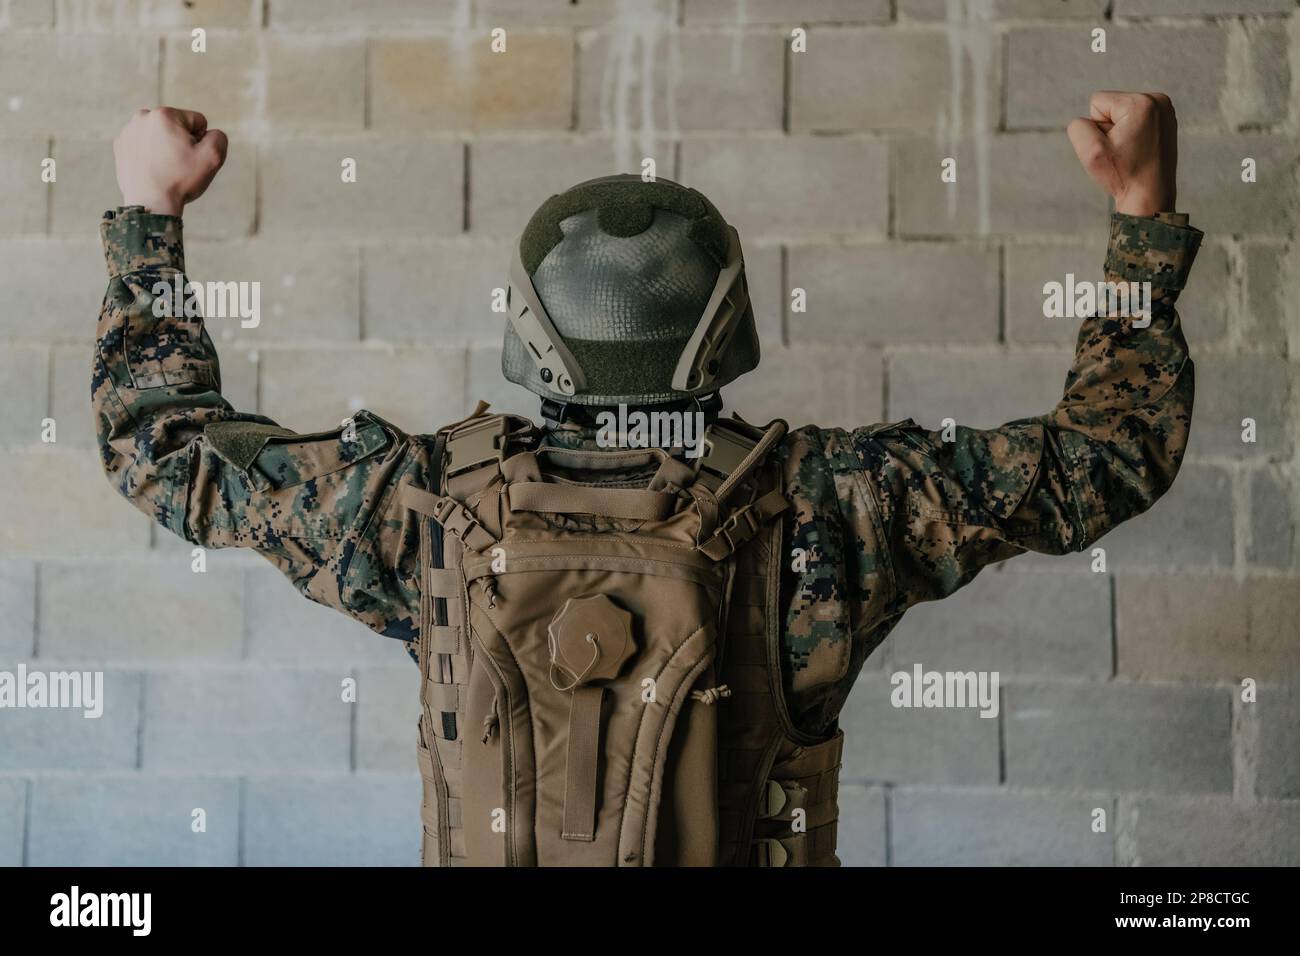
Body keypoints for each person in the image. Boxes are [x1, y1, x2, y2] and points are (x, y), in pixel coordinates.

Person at [96, 91, 1200, 866]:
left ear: (531, 330)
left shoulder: (420, 504)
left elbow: (165, 448)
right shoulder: (832, 501)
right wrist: (1139, 216)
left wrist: (153, 219)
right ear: (729, 325)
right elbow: (1106, 455)